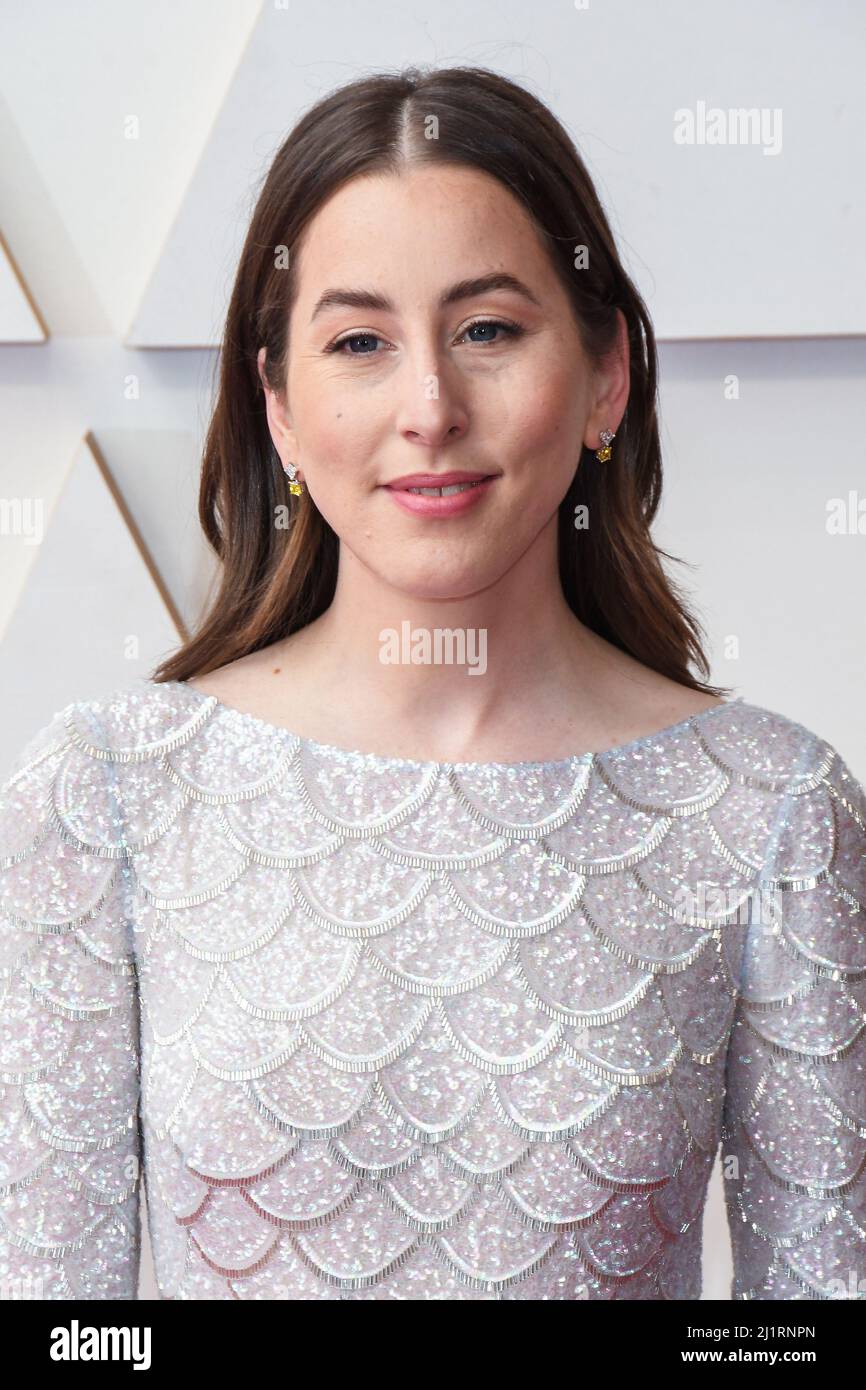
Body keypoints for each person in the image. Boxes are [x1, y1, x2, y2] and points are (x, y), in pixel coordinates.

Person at [1, 65, 864, 1302]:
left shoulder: (771, 811)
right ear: (281, 409)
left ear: (604, 375)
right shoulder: (105, 797)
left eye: (488, 331)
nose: (428, 409)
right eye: (358, 342)